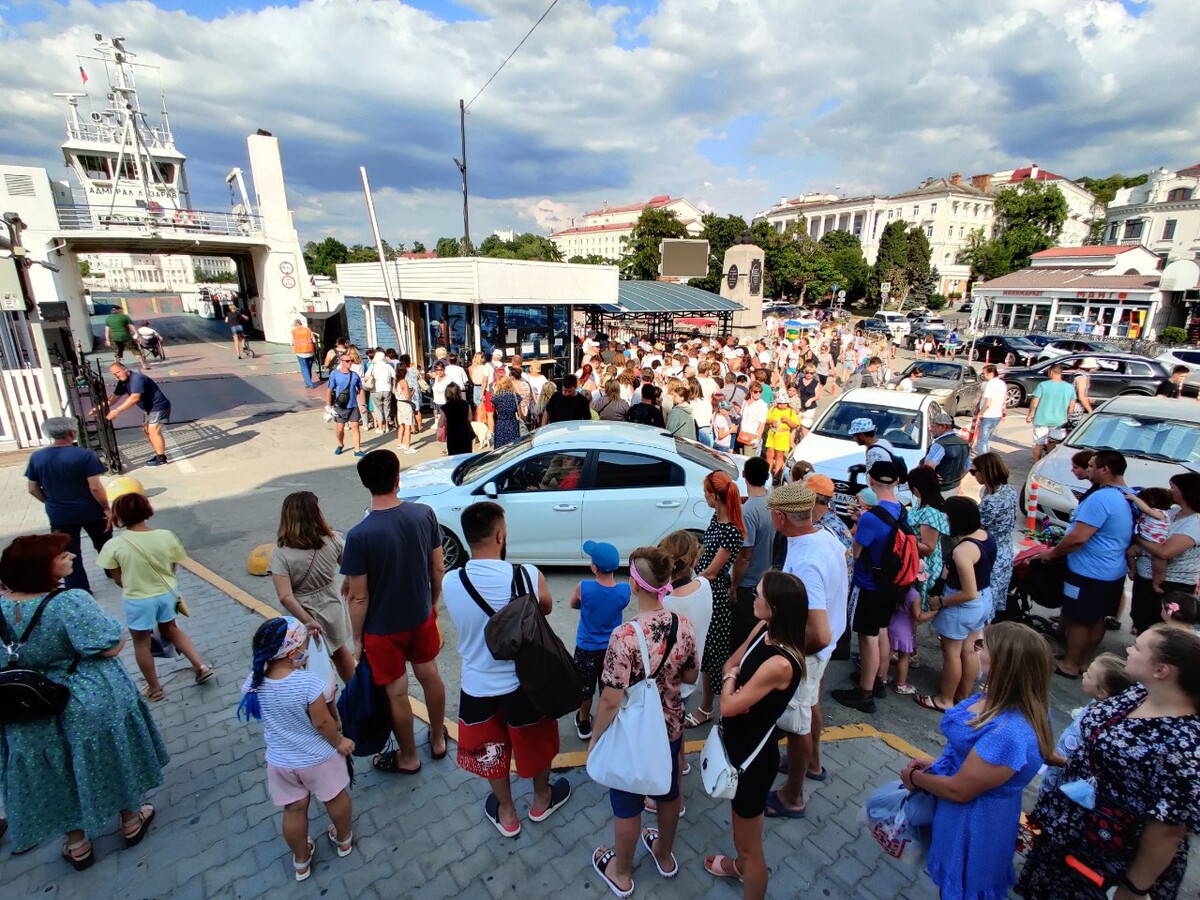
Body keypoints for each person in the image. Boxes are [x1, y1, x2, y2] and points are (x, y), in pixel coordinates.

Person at [0, 534, 170, 867]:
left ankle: (77, 844)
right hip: (83, 699)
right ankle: (131, 820)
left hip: (26, 708)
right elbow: (109, 644)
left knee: (54, 771)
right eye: (62, 555)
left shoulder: (2, 608)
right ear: (43, 567)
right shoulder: (68, 602)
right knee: (107, 755)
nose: (71, 557)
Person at [1017, 625, 1200, 900]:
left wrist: (1133, 888)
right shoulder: (1141, 692)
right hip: (1071, 832)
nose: (1128, 649)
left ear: (1162, 670)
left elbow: (1169, 830)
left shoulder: (1185, 746)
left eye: (1137, 648)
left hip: (1108, 858)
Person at [442, 502, 571, 838]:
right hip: (525, 686)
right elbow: (544, 608)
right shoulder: (526, 574)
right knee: (536, 744)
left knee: (490, 752)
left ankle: (507, 812)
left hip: (477, 687)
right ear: (500, 535)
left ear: (469, 538)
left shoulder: (452, 581)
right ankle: (542, 799)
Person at [901, 622, 1054, 900]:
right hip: (972, 811)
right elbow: (974, 761)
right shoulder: (1014, 700)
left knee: (962, 888)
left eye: (983, 646)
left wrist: (916, 779)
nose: (977, 649)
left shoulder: (1008, 733)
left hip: (973, 822)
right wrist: (936, 765)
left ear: (1003, 664)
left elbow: (961, 790)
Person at [590, 546, 698, 897]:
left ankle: (622, 873)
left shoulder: (624, 637)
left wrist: (595, 739)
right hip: (671, 727)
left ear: (634, 586)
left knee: (626, 805)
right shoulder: (683, 624)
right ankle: (664, 857)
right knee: (668, 795)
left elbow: (610, 699)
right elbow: (691, 673)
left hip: (634, 734)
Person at [341, 450, 447, 774]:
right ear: (397, 479)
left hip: (382, 629)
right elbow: (438, 569)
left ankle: (408, 757)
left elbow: (357, 598)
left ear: (366, 485)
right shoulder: (424, 514)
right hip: (420, 615)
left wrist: (357, 639)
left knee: (397, 692)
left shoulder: (359, 536)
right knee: (429, 673)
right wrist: (433, 603)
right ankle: (438, 738)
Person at [702, 570, 805, 898]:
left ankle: (746, 871)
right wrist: (734, 680)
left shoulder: (781, 664)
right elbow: (730, 664)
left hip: (753, 760)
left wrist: (733, 682)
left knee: (749, 846)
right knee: (740, 836)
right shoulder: (764, 629)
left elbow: (729, 704)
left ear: (774, 607)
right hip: (737, 746)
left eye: (759, 594)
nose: (753, 597)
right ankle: (738, 866)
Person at [236, 617, 355, 881]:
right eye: (302, 647)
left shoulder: (255, 680)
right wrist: (341, 742)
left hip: (281, 761)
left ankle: (301, 860)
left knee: (294, 810)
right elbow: (323, 722)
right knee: (335, 798)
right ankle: (343, 839)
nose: (304, 651)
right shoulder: (308, 685)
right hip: (317, 758)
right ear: (291, 653)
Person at [765, 484, 848, 820]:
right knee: (810, 705)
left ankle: (792, 796)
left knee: (797, 723)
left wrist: (791, 659)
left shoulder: (806, 561)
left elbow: (818, 631)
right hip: (823, 649)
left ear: (781, 517)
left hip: (809, 651)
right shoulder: (825, 536)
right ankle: (813, 764)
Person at [97, 492, 214, 700]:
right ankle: (201, 666)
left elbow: (117, 579)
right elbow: (173, 566)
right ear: (147, 510)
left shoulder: (113, 546)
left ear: (119, 516)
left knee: (141, 642)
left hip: (138, 600)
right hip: (167, 594)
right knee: (171, 629)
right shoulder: (166, 536)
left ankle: (154, 688)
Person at [1034, 450, 1134, 678]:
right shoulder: (1125, 494)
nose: (1087, 470)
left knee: (1080, 619)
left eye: (1091, 466)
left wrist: (1052, 554)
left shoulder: (1101, 498)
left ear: (1104, 470)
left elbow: (1078, 537)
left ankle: (1070, 664)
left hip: (1089, 572)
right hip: (1111, 570)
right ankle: (1083, 662)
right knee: (1096, 619)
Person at [832, 460, 904, 714]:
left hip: (869, 584)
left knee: (867, 637)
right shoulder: (899, 509)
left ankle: (865, 692)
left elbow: (856, 552)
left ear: (870, 482)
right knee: (881, 631)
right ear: (896, 482)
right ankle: (878, 679)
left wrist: (856, 527)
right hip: (891, 583)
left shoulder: (871, 518)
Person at [916, 496, 996, 713]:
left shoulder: (963, 551)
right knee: (969, 649)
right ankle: (963, 695)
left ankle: (945, 699)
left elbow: (968, 592)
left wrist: (940, 601)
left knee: (951, 652)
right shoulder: (985, 536)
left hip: (964, 606)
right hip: (984, 599)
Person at [270, 491, 354, 686]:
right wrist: (348, 580)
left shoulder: (281, 553)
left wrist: (307, 621)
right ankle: (356, 694)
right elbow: (353, 567)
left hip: (301, 613)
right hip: (331, 606)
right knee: (340, 652)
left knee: (307, 661)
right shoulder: (333, 540)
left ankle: (319, 701)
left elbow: (285, 596)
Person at [684, 471, 745, 729]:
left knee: (712, 657)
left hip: (714, 598)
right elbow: (705, 549)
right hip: (705, 592)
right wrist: (697, 555)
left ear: (714, 496)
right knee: (706, 654)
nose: (704, 497)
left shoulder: (732, 531)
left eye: (705, 493)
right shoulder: (716, 519)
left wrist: (686, 590)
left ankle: (708, 708)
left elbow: (712, 573)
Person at [24, 417, 111, 591]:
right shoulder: (86, 456)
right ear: (72, 433)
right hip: (90, 511)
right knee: (104, 544)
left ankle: (80, 589)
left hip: (59, 514)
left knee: (68, 553)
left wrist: (49, 501)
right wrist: (106, 507)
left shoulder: (37, 457)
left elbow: (32, 488)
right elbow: (95, 487)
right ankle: (113, 572)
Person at [1038, 652, 1134, 798]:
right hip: (1058, 764)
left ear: (1102, 692)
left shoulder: (1104, 724)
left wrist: (1059, 761)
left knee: (1052, 796)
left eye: (1089, 675)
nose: (1083, 676)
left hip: (1070, 778)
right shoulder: (1097, 705)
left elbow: (1089, 766)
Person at [569, 540, 631, 740]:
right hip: (611, 648)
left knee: (585, 689)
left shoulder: (583, 587)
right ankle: (608, 721)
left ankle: (584, 721)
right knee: (607, 687)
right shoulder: (624, 591)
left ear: (594, 567)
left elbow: (573, 604)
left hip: (586, 647)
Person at [1127, 472, 1200, 635]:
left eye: (1173, 487)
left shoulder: (1195, 522)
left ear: (1185, 491)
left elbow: (1165, 551)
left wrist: (1139, 539)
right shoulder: (1172, 512)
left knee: (1161, 628)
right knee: (1141, 620)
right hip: (1145, 577)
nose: (1169, 491)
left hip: (1172, 584)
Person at [658, 529, 713, 706]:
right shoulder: (704, 585)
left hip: (668, 683)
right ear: (694, 560)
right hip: (690, 678)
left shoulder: (666, 604)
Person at [731, 457, 775, 650]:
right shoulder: (772, 500)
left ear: (743, 476)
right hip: (769, 577)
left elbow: (744, 556)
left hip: (749, 584)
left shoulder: (747, 511)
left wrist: (734, 585)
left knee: (741, 636)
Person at [971, 452, 1020, 620]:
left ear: (984, 472)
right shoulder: (1008, 490)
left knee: (986, 603)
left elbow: (976, 526)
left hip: (992, 554)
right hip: (1005, 549)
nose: (973, 475)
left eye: (974, 472)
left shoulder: (993, 500)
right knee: (995, 597)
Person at [905, 463, 951, 628]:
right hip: (917, 563)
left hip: (925, 568)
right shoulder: (922, 506)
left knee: (913, 612)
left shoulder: (929, 512)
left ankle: (910, 650)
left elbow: (929, 547)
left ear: (917, 489)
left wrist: (904, 541)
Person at [103, 362, 171, 467]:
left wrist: (117, 411)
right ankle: (158, 454)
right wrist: (99, 408)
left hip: (159, 406)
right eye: (114, 374)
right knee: (146, 430)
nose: (117, 375)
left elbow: (134, 398)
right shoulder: (122, 382)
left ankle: (161, 458)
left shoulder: (137, 378)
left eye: (118, 372)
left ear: (124, 368)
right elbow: (114, 397)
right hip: (149, 409)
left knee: (153, 431)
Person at [1026, 362, 1076, 462]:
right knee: (1052, 442)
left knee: (1039, 443)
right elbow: (1072, 407)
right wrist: (1067, 417)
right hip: (1059, 420)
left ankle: (1036, 463)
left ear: (1051, 372)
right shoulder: (1069, 387)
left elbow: (1035, 402)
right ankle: (1050, 462)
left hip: (1041, 419)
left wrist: (1030, 415)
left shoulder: (1043, 385)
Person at [921, 412, 970, 498]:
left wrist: (932, 478)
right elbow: (966, 469)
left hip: (937, 491)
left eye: (933, 426)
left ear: (943, 427)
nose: (930, 429)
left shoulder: (939, 445)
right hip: (953, 490)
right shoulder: (964, 444)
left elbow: (928, 466)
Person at [326, 353, 366, 457]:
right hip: (340, 406)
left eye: (351, 360)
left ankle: (357, 449)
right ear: (341, 362)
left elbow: (361, 389)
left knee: (355, 427)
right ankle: (340, 444)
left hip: (353, 406)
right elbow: (329, 390)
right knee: (340, 429)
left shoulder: (355, 375)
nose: (350, 363)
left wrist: (363, 405)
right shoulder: (335, 374)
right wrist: (328, 406)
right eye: (347, 361)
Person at [763, 395, 799, 483]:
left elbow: (795, 424)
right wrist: (771, 421)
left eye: (784, 404)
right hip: (772, 434)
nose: (782, 406)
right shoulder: (773, 409)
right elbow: (766, 420)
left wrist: (787, 421)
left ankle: (776, 475)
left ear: (787, 404)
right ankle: (768, 472)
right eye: (780, 404)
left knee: (779, 456)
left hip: (783, 435)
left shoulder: (791, 412)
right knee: (769, 454)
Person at [972, 365, 1005, 454]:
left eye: (984, 373)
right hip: (997, 415)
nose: (983, 375)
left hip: (988, 415)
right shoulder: (1002, 383)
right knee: (986, 440)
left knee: (982, 441)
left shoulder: (990, 384)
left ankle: (983, 461)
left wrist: (981, 413)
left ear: (991, 373)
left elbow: (987, 403)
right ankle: (987, 459)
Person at [489, 375, 522, 449]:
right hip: (512, 423)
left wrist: (494, 392)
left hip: (501, 424)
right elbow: (520, 413)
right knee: (513, 448)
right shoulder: (515, 396)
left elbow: (492, 413)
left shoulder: (495, 398)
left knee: (501, 449)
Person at [735, 383, 768, 455]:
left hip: (752, 435)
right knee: (740, 458)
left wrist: (757, 439)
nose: (758, 393)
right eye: (756, 392)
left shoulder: (762, 405)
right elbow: (743, 416)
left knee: (747, 459)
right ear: (751, 392)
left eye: (760, 392)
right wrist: (739, 411)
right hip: (741, 434)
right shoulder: (745, 402)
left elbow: (762, 423)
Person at [366, 351, 395, 432]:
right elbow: (394, 376)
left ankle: (380, 428)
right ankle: (387, 427)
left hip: (375, 390)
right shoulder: (388, 366)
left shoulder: (373, 366)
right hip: (387, 389)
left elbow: (366, 377)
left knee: (378, 409)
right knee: (387, 409)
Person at [442, 383, 474, 456]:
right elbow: (470, 419)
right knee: (467, 456)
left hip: (453, 434)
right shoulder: (466, 404)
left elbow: (441, 423)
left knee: (454, 455)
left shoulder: (445, 407)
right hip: (465, 432)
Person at [393, 362, 417, 454]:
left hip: (399, 403)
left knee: (401, 424)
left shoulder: (396, 381)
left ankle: (399, 443)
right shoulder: (404, 382)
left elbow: (394, 392)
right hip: (406, 404)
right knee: (408, 425)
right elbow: (407, 397)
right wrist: (412, 391)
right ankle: (407, 446)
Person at [1069, 356, 1100, 427]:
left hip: (1072, 404)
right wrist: (1090, 411)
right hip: (1076, 408)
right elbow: (1081, 396)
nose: (1096, 369)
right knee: (1075, 429)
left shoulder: (1077, 374)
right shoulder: (1082, 378)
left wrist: (1087, 399)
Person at [291, 318, 318, 389]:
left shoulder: (294, 331)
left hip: (300, 353)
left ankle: (310, 383)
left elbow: (291, 343)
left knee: (304, 368)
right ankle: (307, 383)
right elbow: (314, 341)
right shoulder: (308, 330)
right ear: (301, 323)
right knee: (309, 368)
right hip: (310, 352)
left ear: (295, 324)